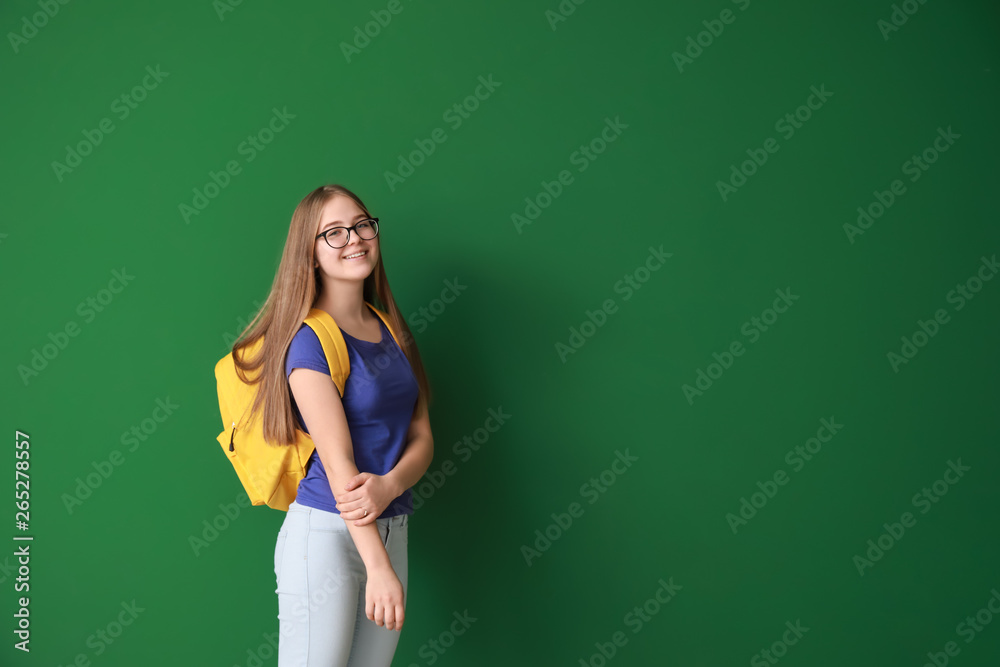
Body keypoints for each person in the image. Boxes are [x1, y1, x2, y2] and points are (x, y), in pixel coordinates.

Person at [229, 184, 434, 666]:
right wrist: (378, 568)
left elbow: (423, 435)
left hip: (392, 526)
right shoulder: (308, 343)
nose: (354, 239)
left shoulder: (391, 328)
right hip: (326, 538)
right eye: (334, 233)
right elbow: (340, 465)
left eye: (362, 225)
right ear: (311, 254)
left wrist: (389, 486)